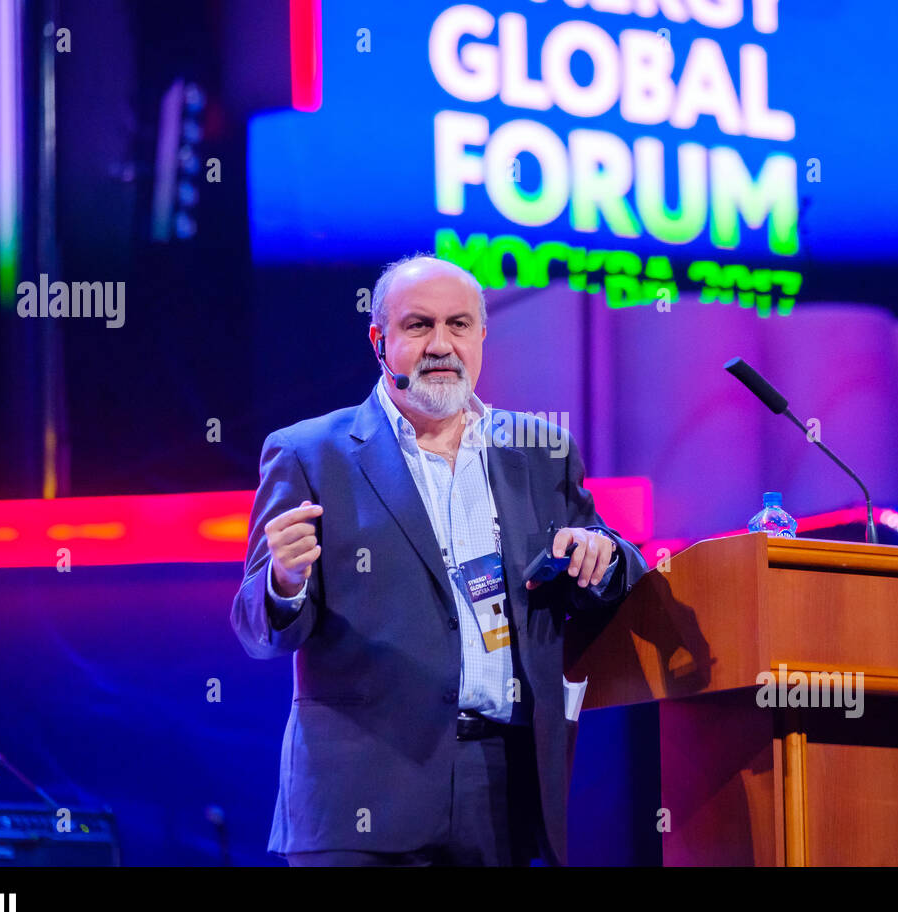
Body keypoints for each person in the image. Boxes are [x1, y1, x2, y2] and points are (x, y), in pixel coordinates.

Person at [230, 254, 647, 866]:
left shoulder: (541, 451)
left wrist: (604, 557)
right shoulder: (308, 453)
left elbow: (611, 563)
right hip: (361, 796)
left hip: (503, 786)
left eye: (458, 325)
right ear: (381, 340)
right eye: (419, 326)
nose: (441, 345)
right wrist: (284, 582)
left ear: (482, 335)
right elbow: (255, 630)